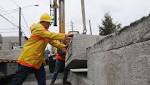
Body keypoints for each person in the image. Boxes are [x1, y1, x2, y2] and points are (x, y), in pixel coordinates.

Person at [10, 13, 73, 85]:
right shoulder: (38, 29)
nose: (49, 25)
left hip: (38, 62)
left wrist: (63, 47)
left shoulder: (45, 32)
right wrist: (65, 35)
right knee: (18, 81)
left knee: (42, 81)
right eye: (49, 23)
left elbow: (53, 42)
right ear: (44, 22)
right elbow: (51, 35)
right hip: (28, 59)